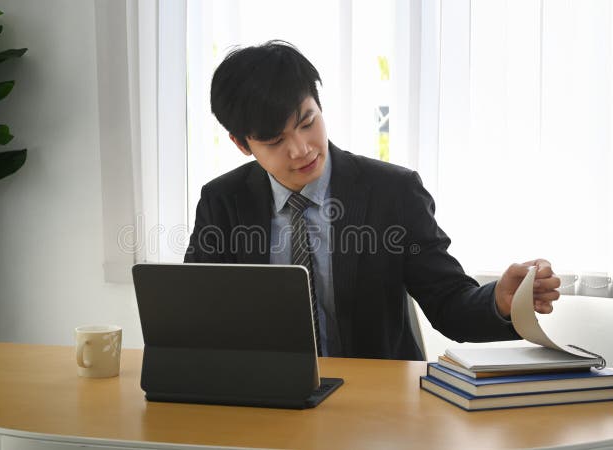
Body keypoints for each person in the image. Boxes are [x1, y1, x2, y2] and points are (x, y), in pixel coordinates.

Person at [184, 40, 560, 360]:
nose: (301, 150)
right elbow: (198, 316)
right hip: (268, 400)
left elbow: (448, 302)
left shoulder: (393, 192)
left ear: (318, 105)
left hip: (377, 402)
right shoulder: (222, 201)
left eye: (307, 123)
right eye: (275, 141)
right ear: (241, 144)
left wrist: (498, 301)